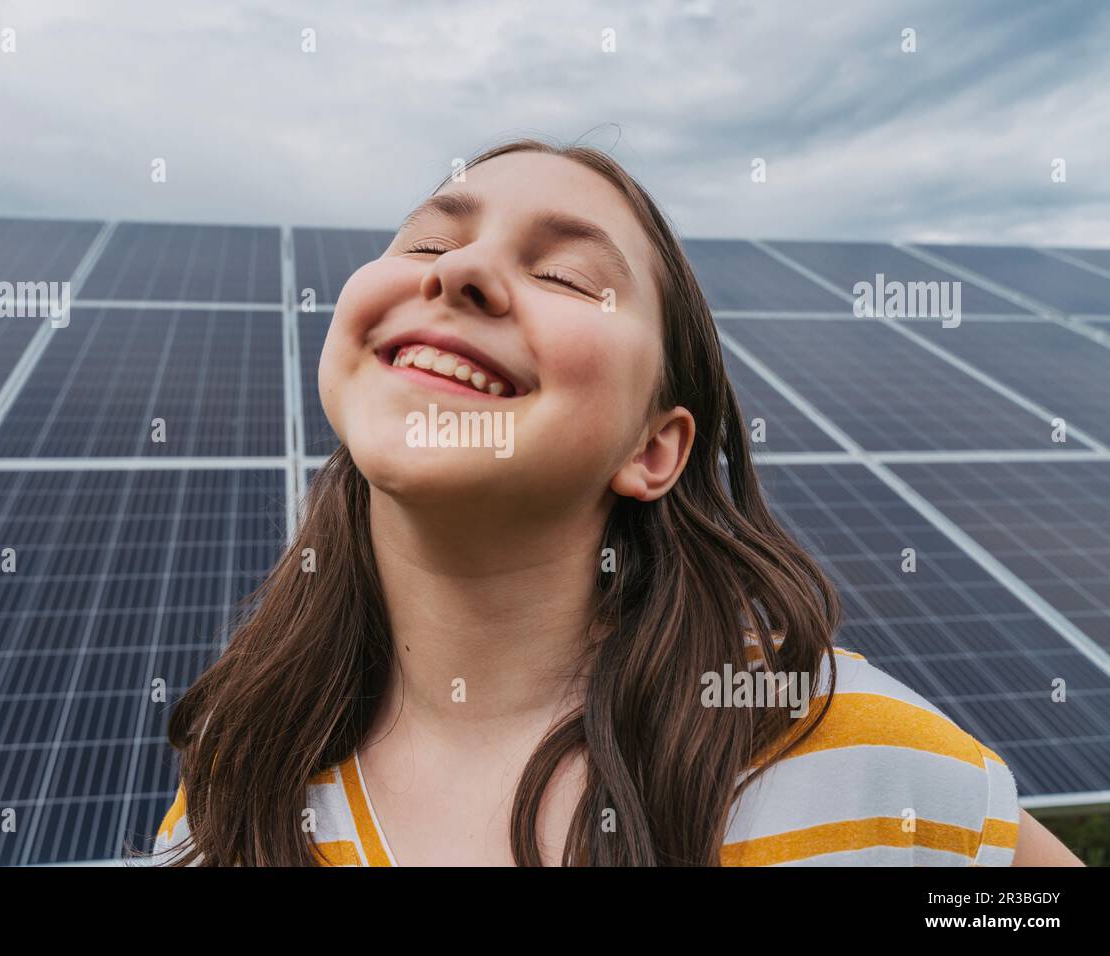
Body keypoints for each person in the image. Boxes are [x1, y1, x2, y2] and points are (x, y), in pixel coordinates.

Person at [147, 135, 1081, 867]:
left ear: (654, 448)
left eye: (564, 277)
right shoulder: (233, 794)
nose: (457, 271)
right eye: (430, 240)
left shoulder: (858, 757)